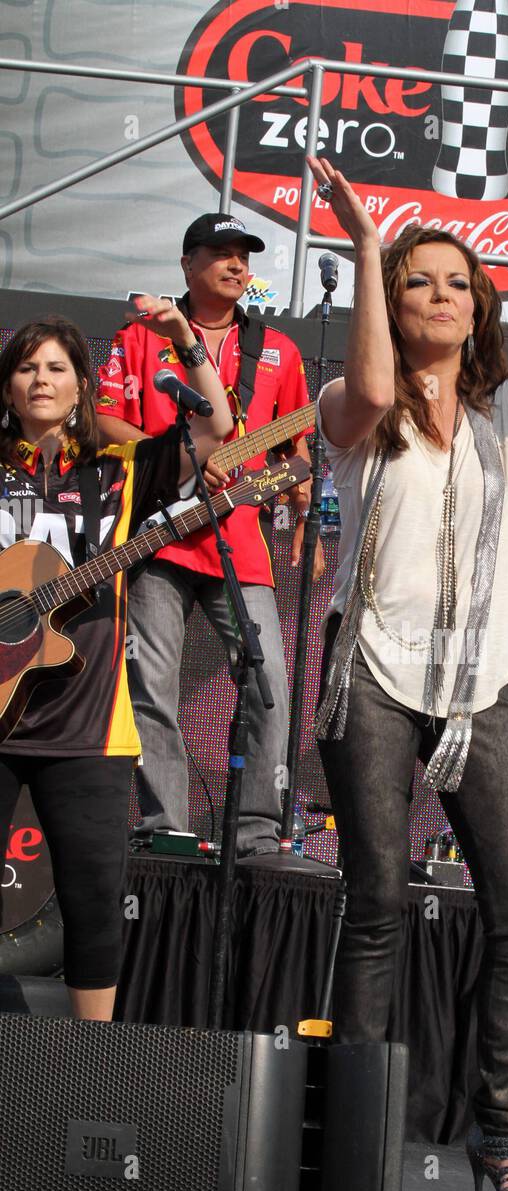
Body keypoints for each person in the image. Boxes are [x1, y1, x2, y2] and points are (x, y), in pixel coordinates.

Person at [308, 153, 508, 1191]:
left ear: (478, 309)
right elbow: (382, 387)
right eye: (412, 283)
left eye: (451, 283)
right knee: (378, 901)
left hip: (484, 690)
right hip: (374, 681)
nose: (433, 294)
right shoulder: (352, 403)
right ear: (387, 306)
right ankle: (353, 1128)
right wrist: (361, 242)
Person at [0, 308, 232, 1020]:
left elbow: (215, 431)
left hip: (89, 725)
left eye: (56, 368)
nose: (41, 379)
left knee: (94, 901)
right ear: (6, 385)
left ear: (82, 389)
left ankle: (90, 1063)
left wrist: (187, 342)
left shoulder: (119, 471)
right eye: (26, 366)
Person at [96, 213, 322, 857]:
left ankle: (255, 831)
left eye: (244, 256)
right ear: (187, 264)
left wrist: (278, 489)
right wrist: (181, 462)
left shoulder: (279, 349)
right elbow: (105, 421)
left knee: (269, 683)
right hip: (154, 535)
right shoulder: (140, 337)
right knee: (150, 686)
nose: (236, 266)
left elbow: (301, 454)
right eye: (220, 254)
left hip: (238, 541)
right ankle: (165, 826)